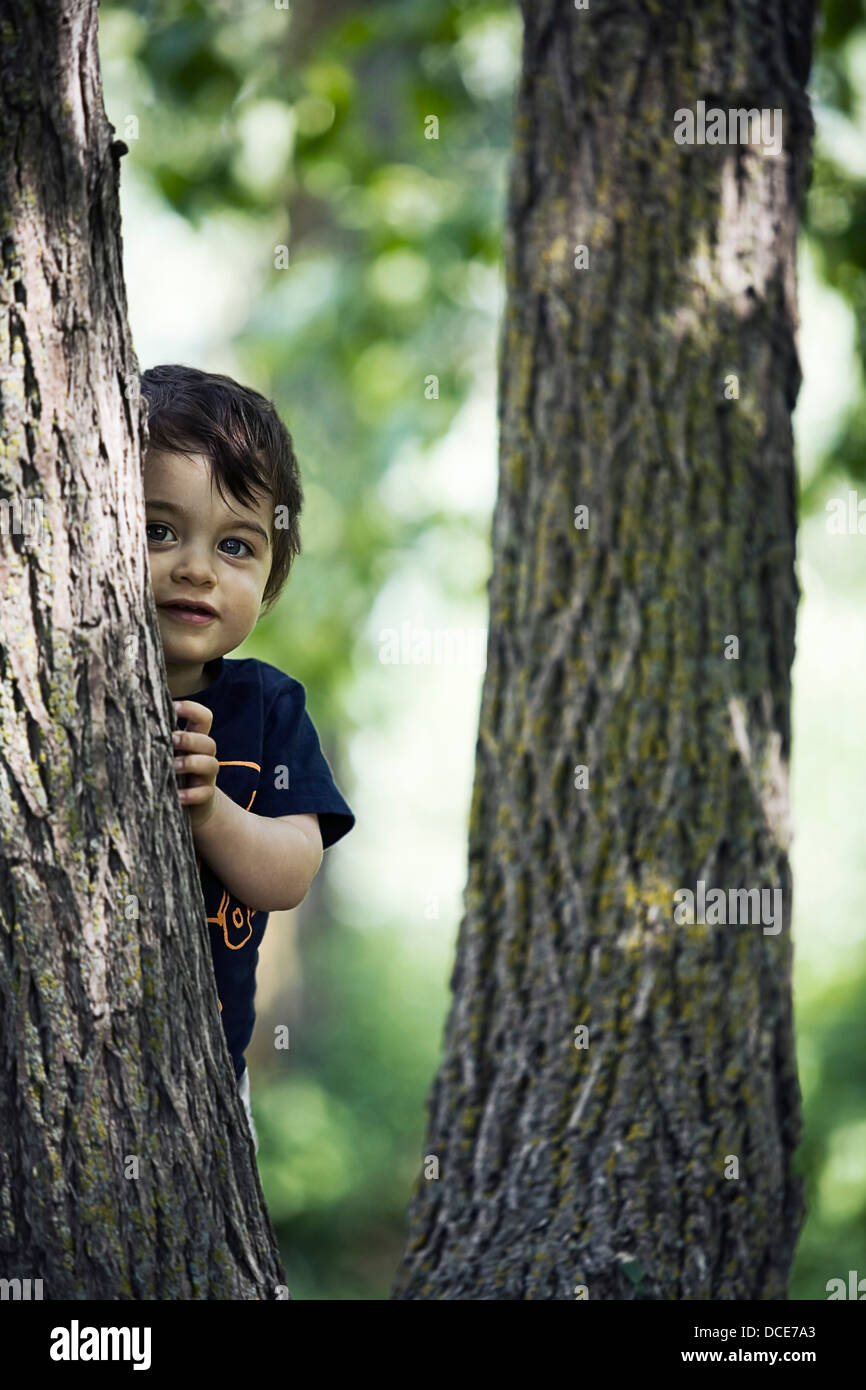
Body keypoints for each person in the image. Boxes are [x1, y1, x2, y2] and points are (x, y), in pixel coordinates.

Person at [140, 364, 355, 1154]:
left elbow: (291, 872)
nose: (196, 567)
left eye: (236, 545)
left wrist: (212, 812)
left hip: (208, 1076)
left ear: (269, 581)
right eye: (159, 529)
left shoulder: (268, 706)